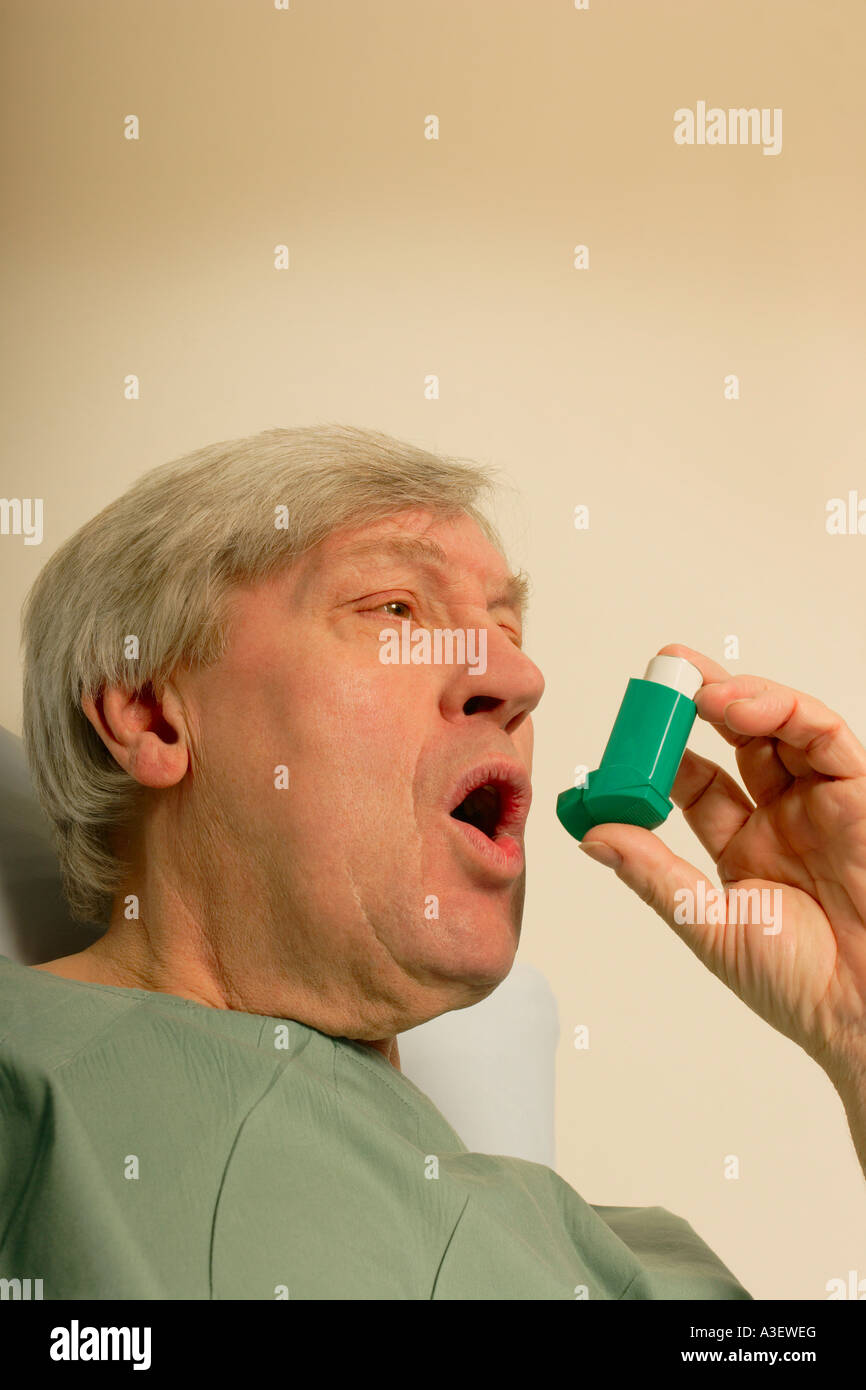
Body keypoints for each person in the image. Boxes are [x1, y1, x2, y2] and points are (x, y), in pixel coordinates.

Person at [1, 423, 863, 1299]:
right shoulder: (24, 1081)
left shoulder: (628, 1261)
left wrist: (857, 1025)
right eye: (396, 610)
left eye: (506, 625)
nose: (520, 678)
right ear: (151, 712)